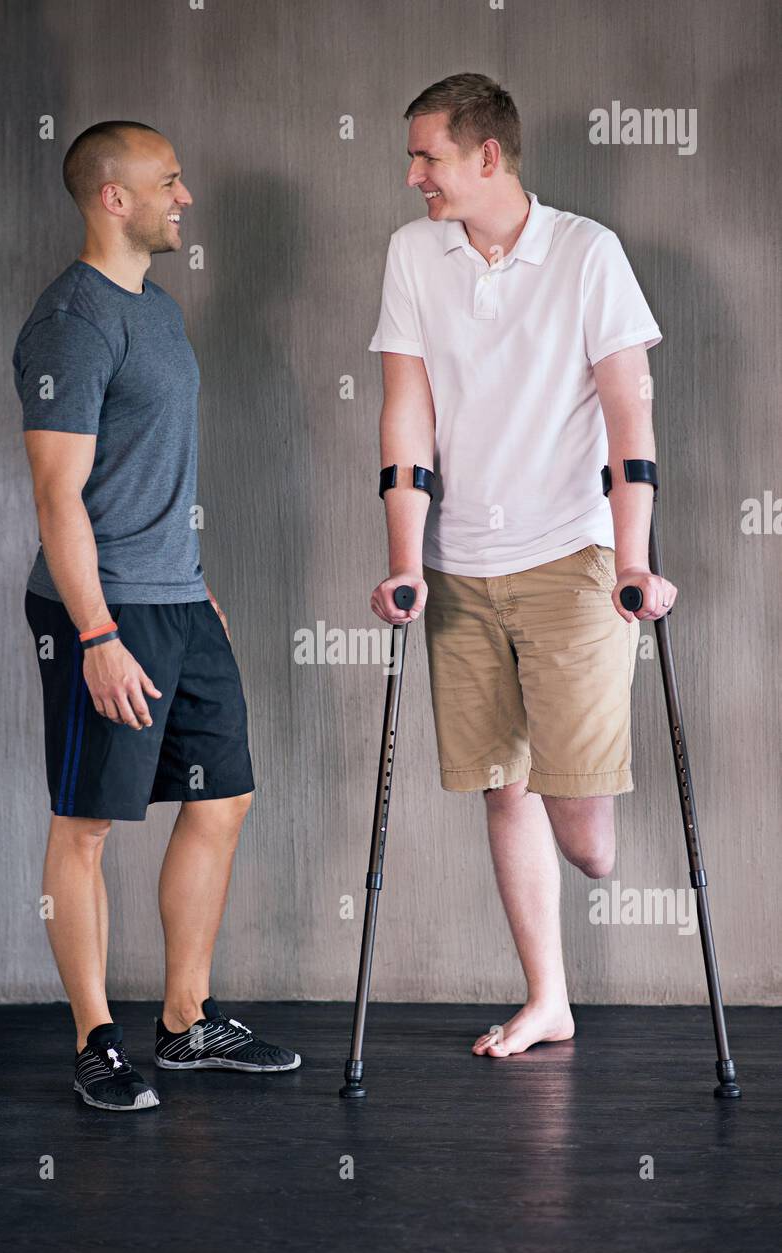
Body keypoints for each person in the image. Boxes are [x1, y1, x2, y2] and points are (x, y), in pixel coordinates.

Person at [368, 74, 677, 1058]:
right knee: (504, 787)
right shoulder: (413, 254)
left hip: (572, 558)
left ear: (487, 155)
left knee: (585, 834)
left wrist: (635, 562)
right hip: (461, 569)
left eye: (428, 158)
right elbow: (407, 411)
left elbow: (629, 416)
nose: (414, 176)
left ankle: (586, 837)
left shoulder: (587, 252)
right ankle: (548, 998)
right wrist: (406, 560)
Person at [14, 121, 299, 1111]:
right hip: (102, 609)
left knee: (222, 799)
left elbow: (155, 473)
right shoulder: (72, 323)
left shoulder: (160, 312)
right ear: (114, 198)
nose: (185, 198)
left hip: (178, 596)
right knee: (87, 824)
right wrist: (96, 633)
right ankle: (96, 1040)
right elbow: (57, 495)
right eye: (169, 182)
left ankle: (185, 1022)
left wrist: (195, 579)